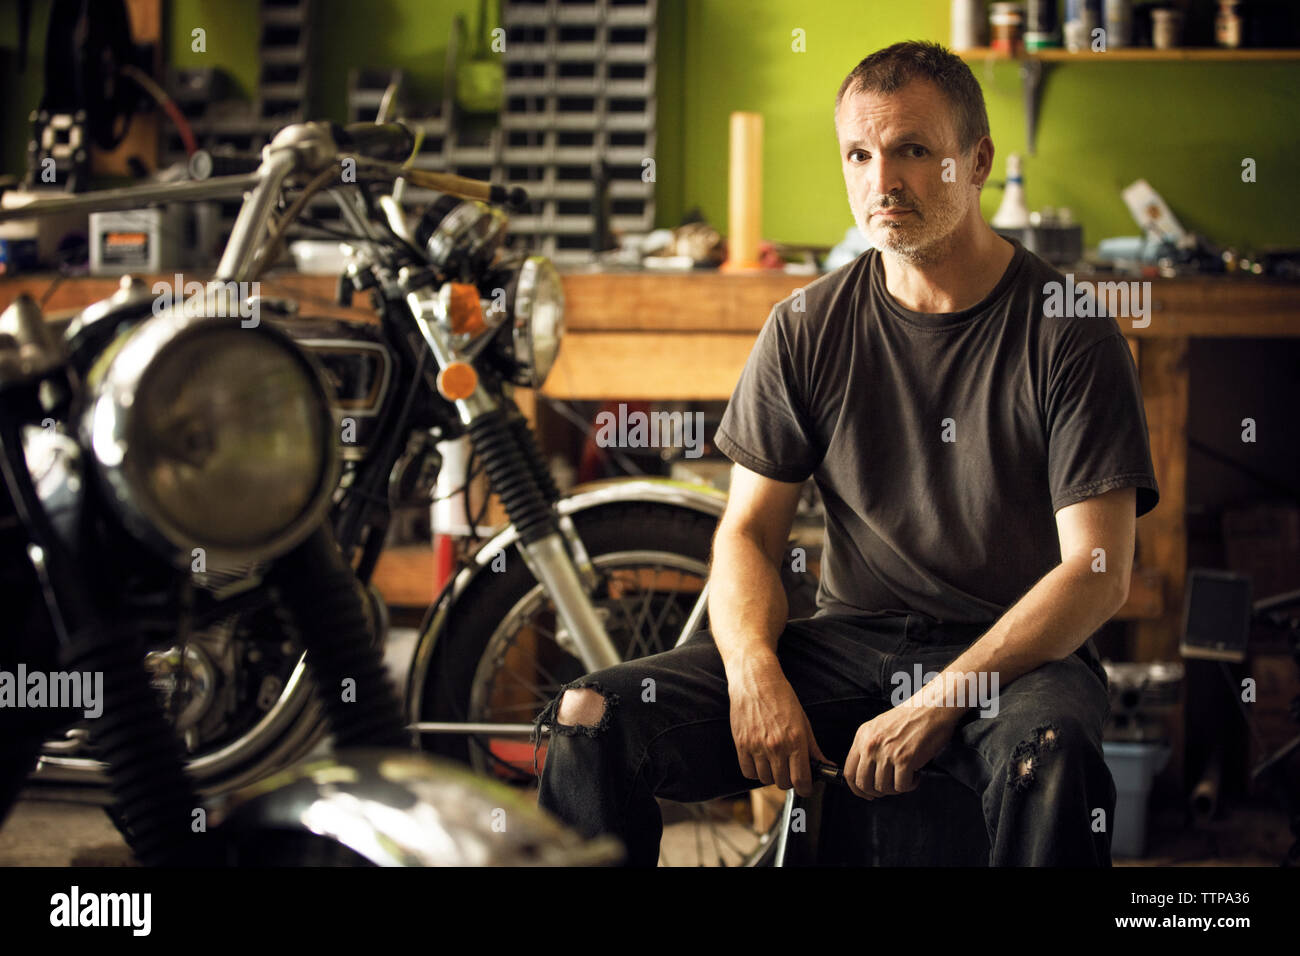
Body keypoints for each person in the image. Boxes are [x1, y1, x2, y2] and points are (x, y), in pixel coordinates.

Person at [532, 40, 1159, 867]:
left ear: (976, 163)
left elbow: (1098, 571)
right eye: (859, 154)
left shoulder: (1070, 328)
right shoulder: (806, 326)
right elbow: (749, 533)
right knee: (587, 719)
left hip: (1015, 660)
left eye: (912, 151)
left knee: (1053, 758)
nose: (882, 182)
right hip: (851, 642)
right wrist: (754, 670)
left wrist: (942, 699)